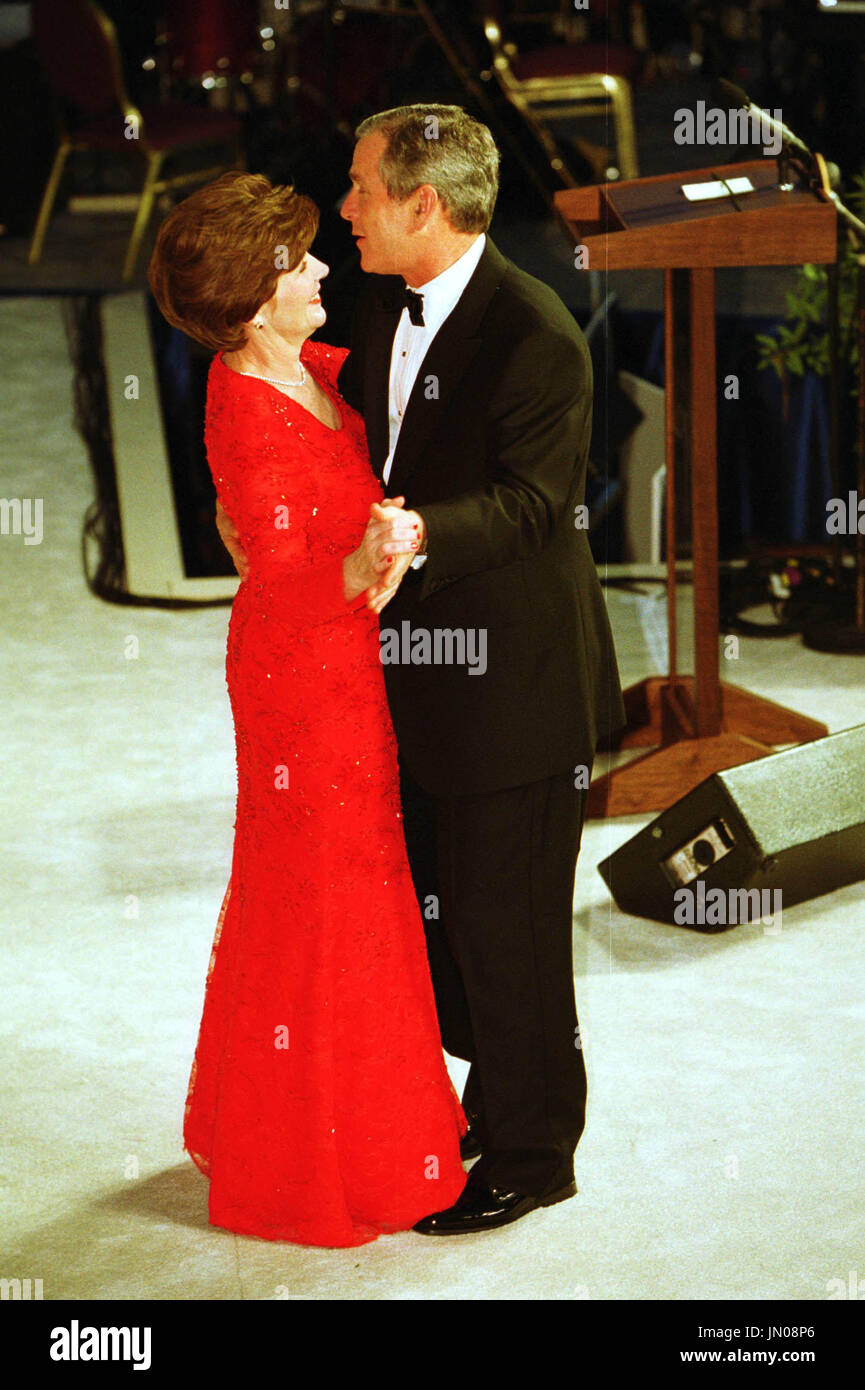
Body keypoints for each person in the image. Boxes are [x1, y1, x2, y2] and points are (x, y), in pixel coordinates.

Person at [219, 104, 626, 1236]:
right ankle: (476, 1113)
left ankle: (535, 1154)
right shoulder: (368, 297)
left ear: (422, 206)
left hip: (515, 689)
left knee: (514, 935)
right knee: (451, 931)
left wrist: (415, 529)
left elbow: (538, 504)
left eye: (357, 190)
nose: (342, 209)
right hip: (404, 684)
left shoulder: (533, 332)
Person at [147, 171, 469, 1248]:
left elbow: (362, 412)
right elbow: (280, 576)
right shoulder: (244, 408)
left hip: (338, 665)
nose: (321, 267)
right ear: (251, 296)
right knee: (326, 896)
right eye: (297, 262)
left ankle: (352, 1126)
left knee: (351, 890)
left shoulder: (301, 367)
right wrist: (369, 553)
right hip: (301, 681)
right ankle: (315, 1158)